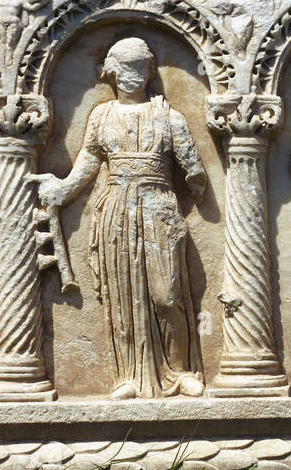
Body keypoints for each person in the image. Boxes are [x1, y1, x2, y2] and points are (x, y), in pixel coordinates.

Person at [38, 38, 207, 399]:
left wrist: (191, 174)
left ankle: (180, 370)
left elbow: (196, 174)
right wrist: (62, 191)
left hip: (158, 208)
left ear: (149, 72)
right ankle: (128, 376)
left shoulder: (169, 117)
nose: (133, 75)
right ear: (111, 71)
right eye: (125, 67)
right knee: (123, 297)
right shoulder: (102, 116)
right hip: (115, 209)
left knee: (166, 295)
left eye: (140, 67)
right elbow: (88, 162)